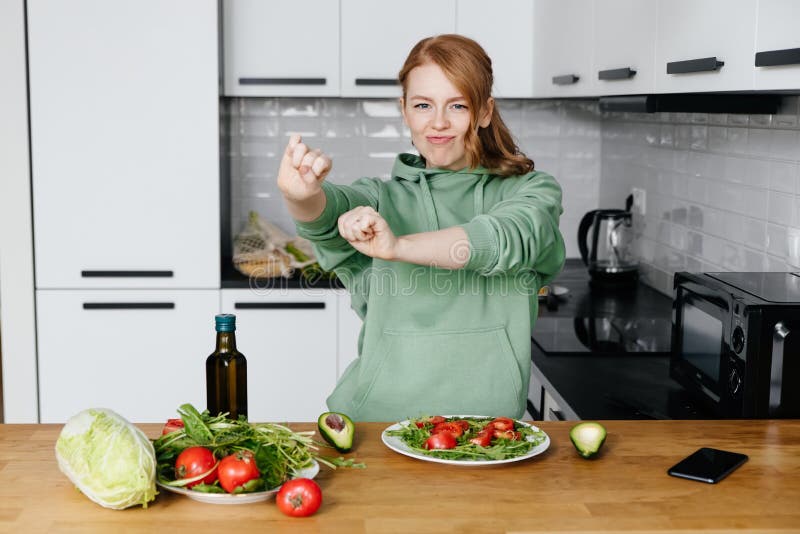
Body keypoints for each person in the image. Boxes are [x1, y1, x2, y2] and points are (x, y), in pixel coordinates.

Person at [278, 34, 566, 422]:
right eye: (423, 105)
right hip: (376, 425)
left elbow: (504, 237)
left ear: (484, 112)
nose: (439, 123)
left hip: (488, 432)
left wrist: (399, 247)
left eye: (458, 105)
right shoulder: (380, 200)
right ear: (405, 110)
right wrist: (301, 195)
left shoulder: (532, 191)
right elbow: (327, 213)